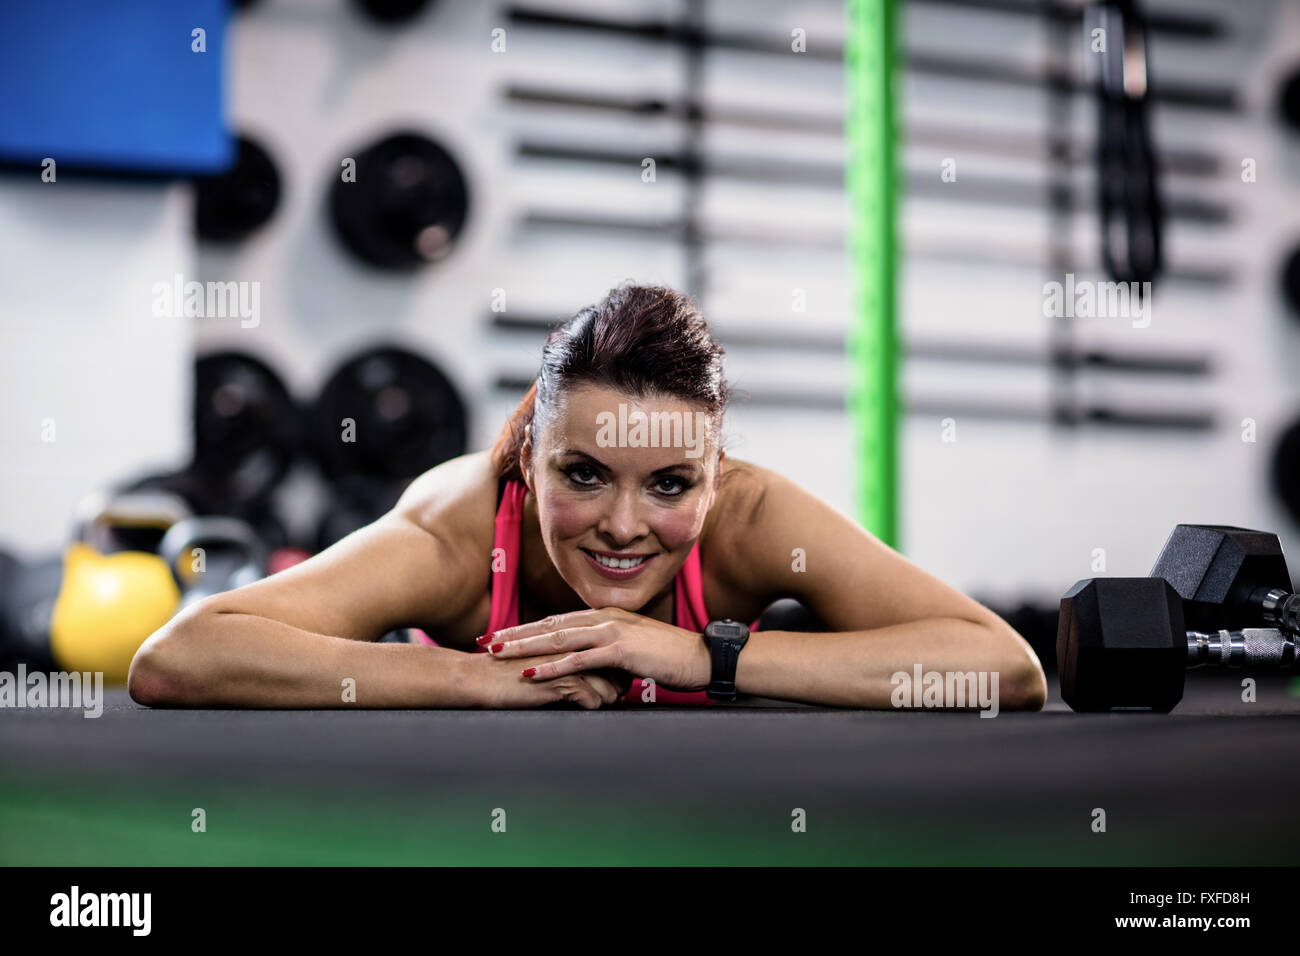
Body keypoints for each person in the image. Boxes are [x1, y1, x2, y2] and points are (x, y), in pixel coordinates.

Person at [129, 284, 1047, 711]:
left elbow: (1002, 669)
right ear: (528, 458)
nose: (621, 526)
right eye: (583, 474)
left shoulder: (755, 518)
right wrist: (470, 679)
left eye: (671, 485)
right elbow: (180, 657)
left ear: (716, 474)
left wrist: (706, 658)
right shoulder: (455, 530)